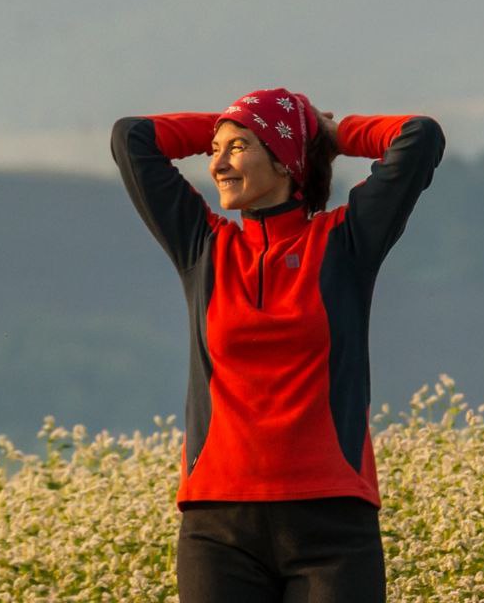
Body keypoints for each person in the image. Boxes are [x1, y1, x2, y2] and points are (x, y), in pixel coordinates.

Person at [111, 88, 445, 603]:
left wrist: (323, 131)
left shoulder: (344, 242)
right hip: (217, 527)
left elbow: (418, 137)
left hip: (333, 525)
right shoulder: (203, 246)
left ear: (285, 158)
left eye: (238, 147)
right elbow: (131, 138)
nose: (217, 161)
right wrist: (232, 125)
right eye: (215, 148)